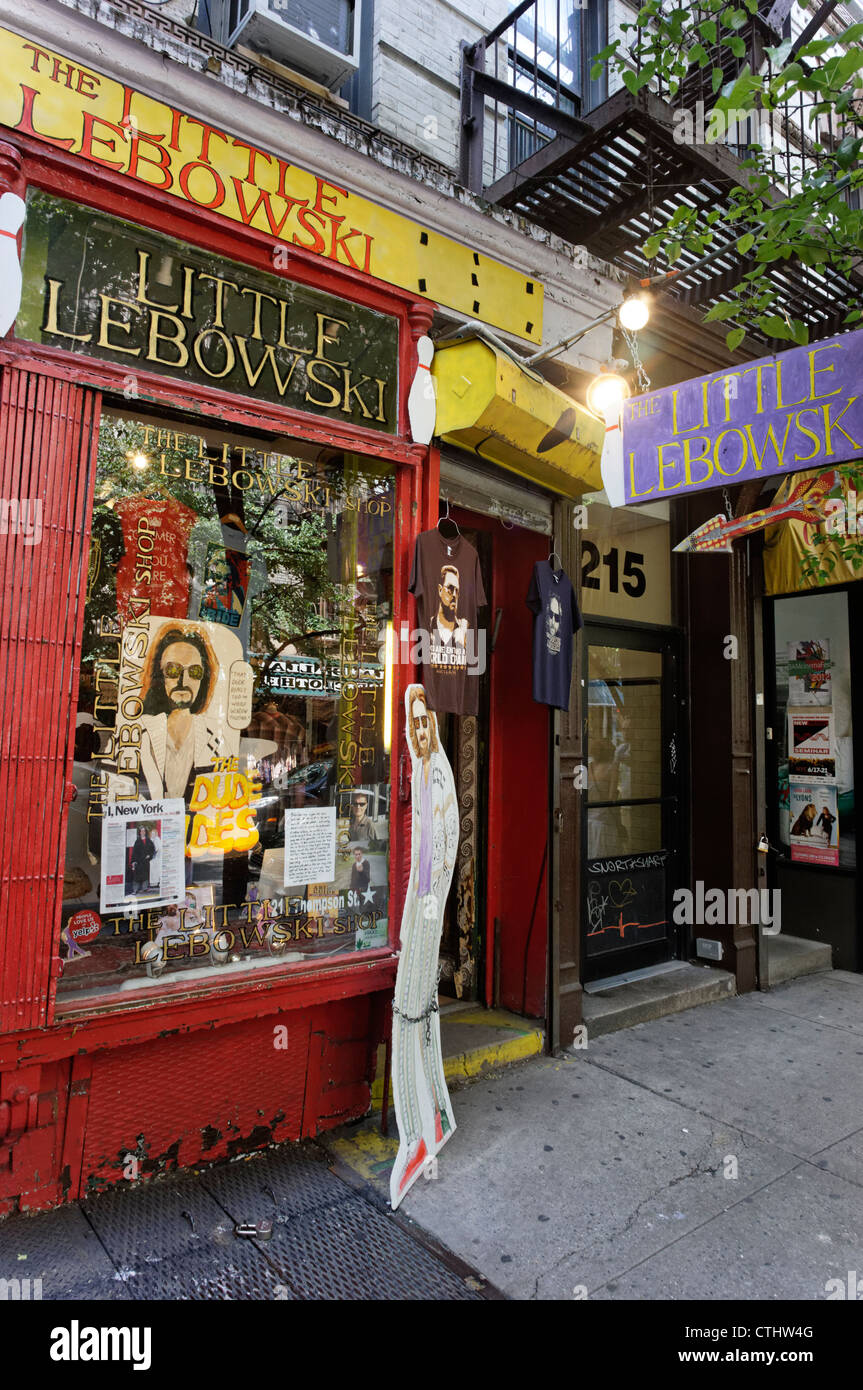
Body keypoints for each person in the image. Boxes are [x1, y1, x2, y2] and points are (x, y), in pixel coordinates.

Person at [390, 684, 459, 1208]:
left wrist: (428, 906)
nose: (417, 728)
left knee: (414, 1006)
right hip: (420, 903)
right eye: (410, 720)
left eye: (422, 719)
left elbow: (443, 842)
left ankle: (422, 1130)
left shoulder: (437, 772)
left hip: (427, 906)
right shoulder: (420, 767)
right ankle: (423, 1124)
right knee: (413, 1009)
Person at [139, 623, 228, 799]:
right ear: (158, 675)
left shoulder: (217, 741)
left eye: (194, 671)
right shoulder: (136, 735)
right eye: (173, 670)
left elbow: (224, 797)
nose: (183, 679)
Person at [433, 565, 468, 650]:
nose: (454, 595)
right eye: (450, 589)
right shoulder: (429, 626)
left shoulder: (464, 630)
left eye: (457, 591)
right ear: (440, 590)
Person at [130, 826, 156, 894]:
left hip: (145, 861)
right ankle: (135, 890)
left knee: (145, 875)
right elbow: (134, 851)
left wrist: (149, 855)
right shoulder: (137, 841)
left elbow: (153, 849)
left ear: (145, 832)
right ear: (140, 832)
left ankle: (145, 888)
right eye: (141, 831)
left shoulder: (148, 840)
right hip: (139, 861)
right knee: (136, 877)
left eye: (144, 831)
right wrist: (133, 861)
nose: (143, 832)